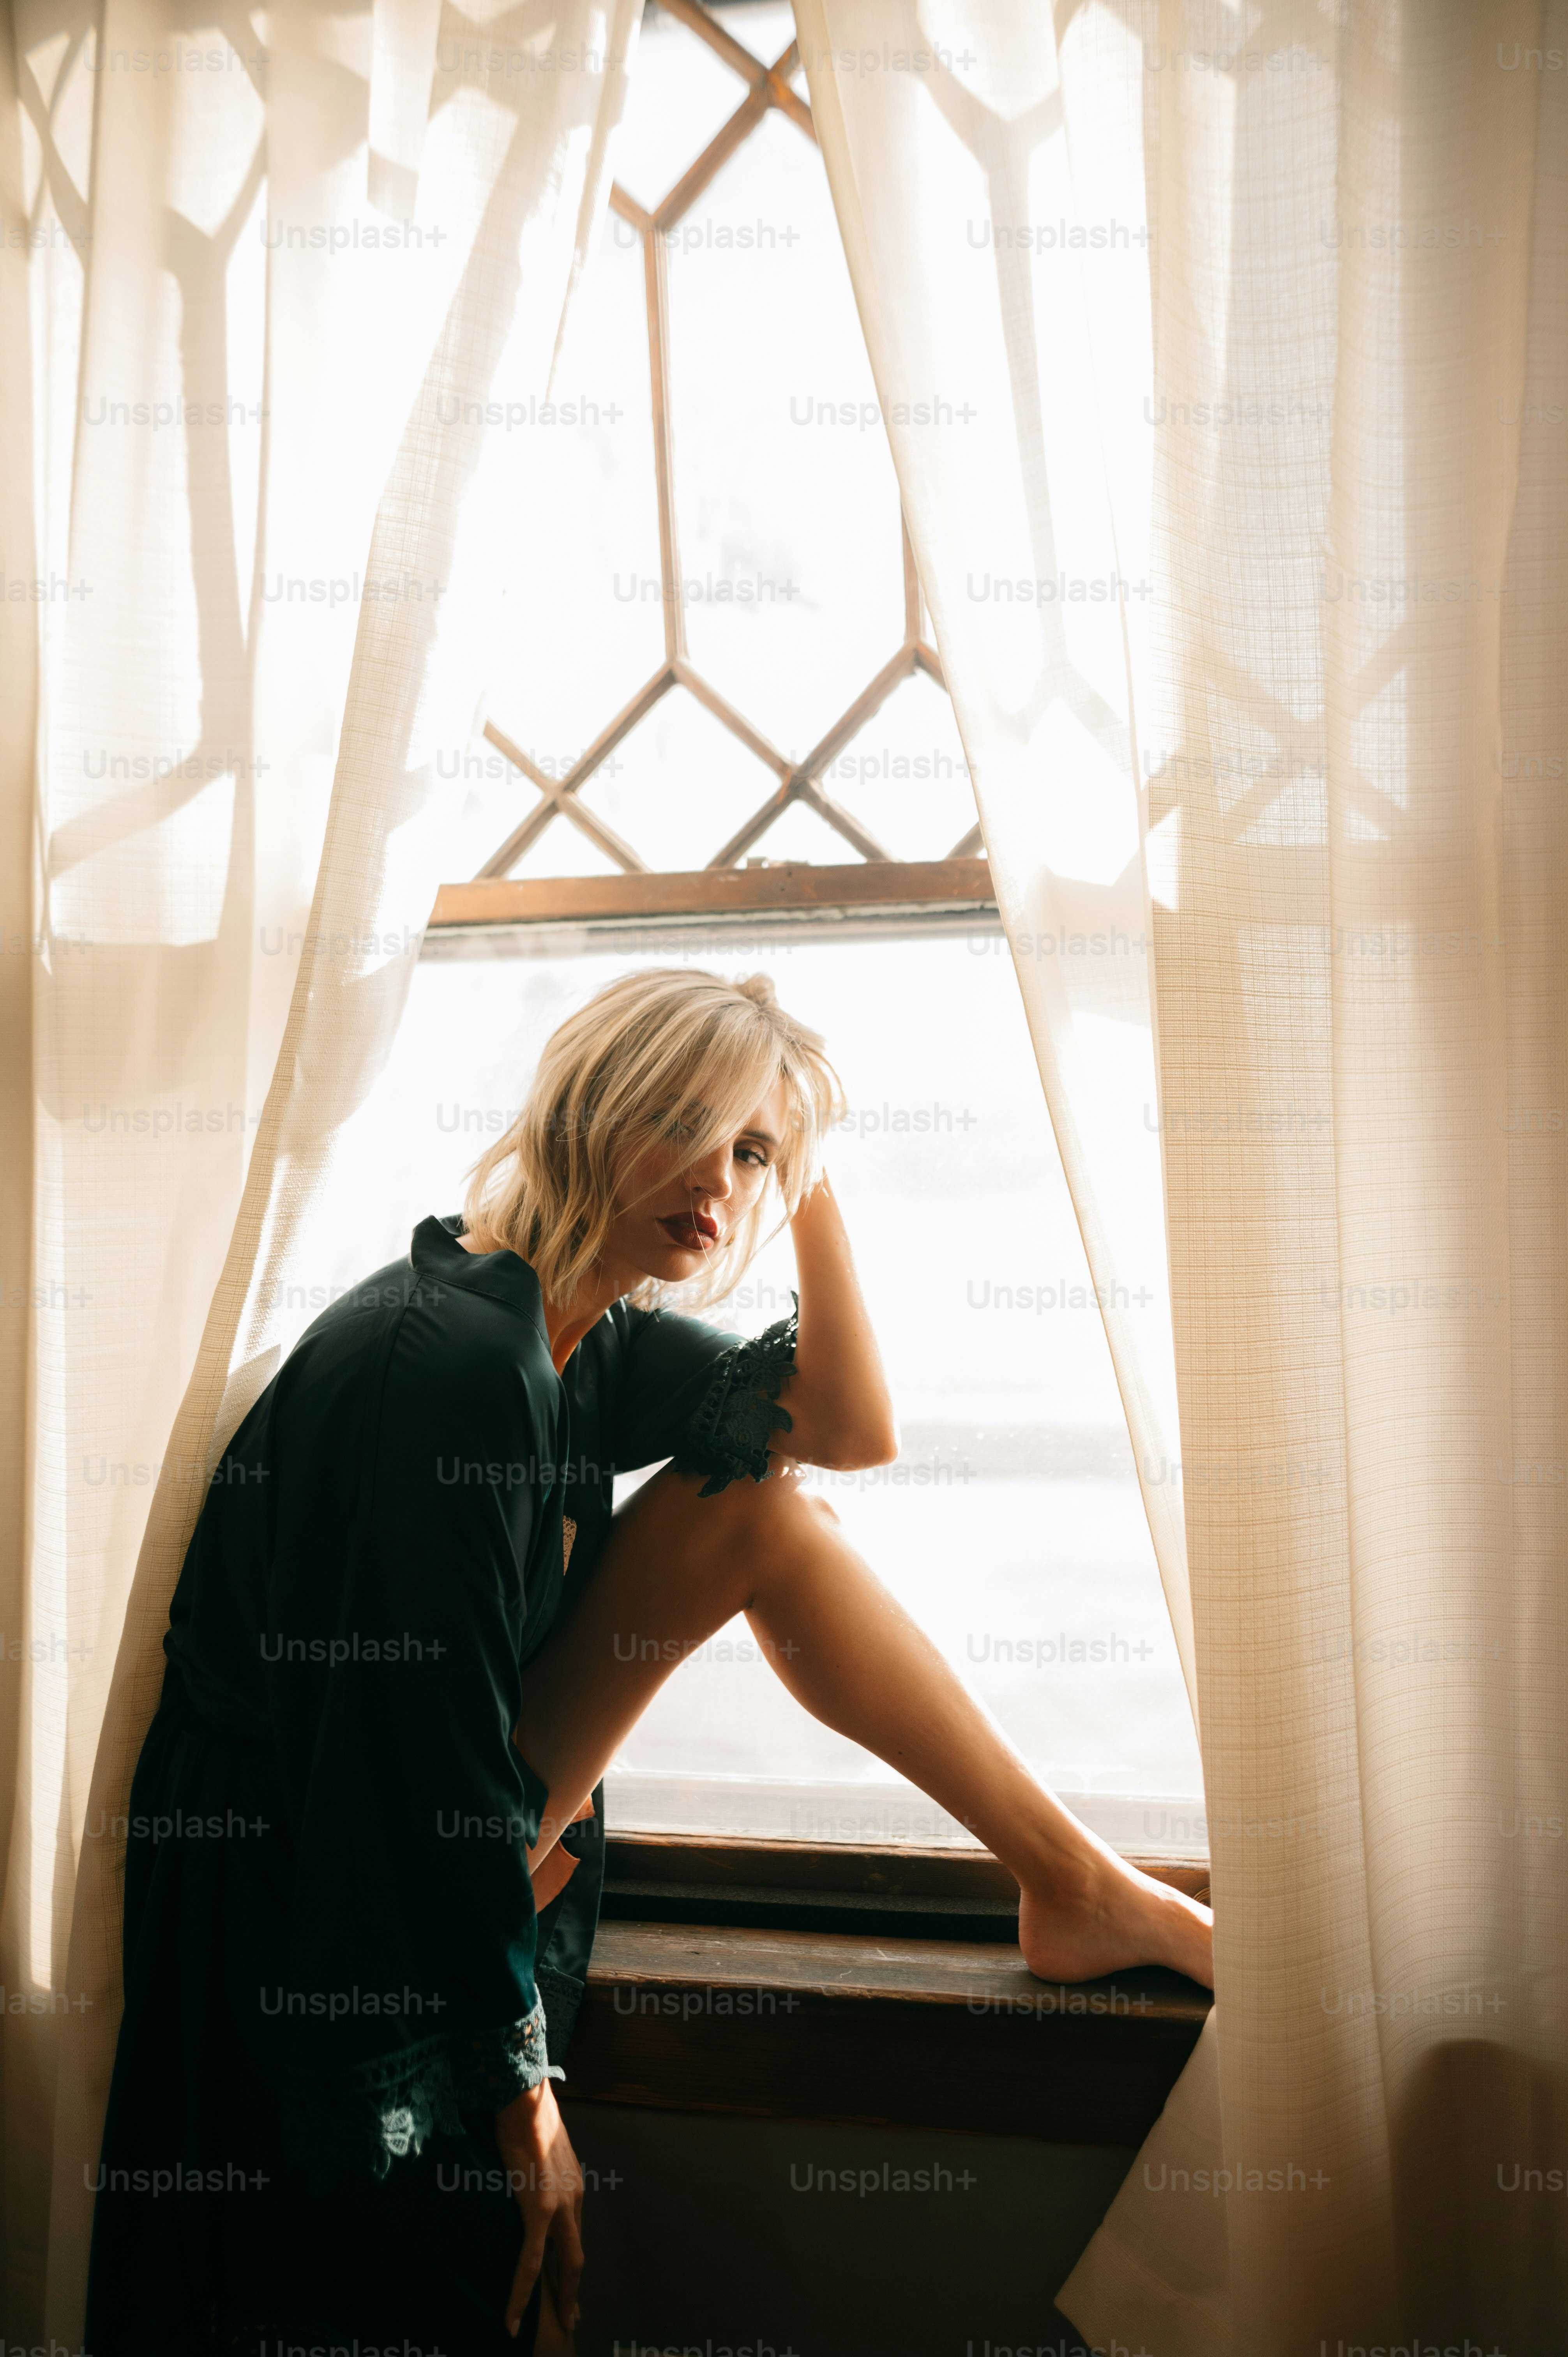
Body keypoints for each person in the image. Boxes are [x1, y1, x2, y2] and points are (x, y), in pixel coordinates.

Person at [85, 966, 1212, 2356]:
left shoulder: (586, 1330)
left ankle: (1074, 1884)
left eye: (752, 1151)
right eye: (688, 1124)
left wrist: (805, 1170)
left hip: (436, 1805)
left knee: (768, 1501)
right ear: (591, 1110)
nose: (722, 1180)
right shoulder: (453, 1358)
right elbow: (405, 1763)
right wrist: (521, 2091)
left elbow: (851, 1426)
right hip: (306, 1862)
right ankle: (1076, 1885)